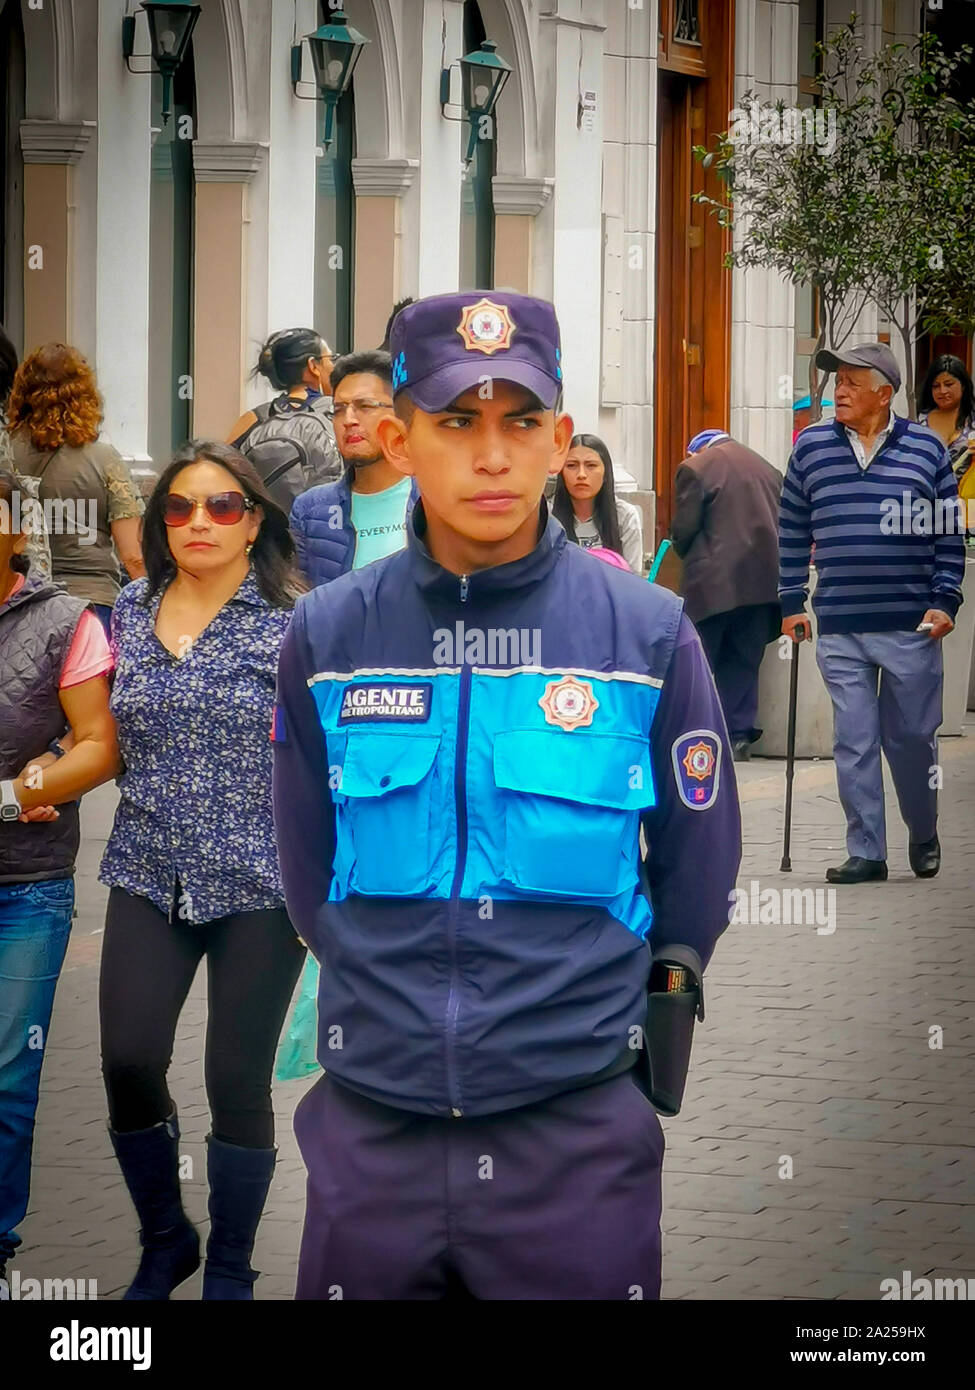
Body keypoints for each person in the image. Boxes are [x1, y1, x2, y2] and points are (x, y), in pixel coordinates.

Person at [271, 291, 741, 1300]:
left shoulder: (649, 634)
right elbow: (308, 874)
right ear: (398, 442)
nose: (493, 457)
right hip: (372, 1141)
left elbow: (697, 877)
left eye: (521, 423)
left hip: (573, 1143)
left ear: (560, 439)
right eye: (456, 423)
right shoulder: (326, 637)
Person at [97, 442, 305, 1300]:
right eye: (178, 508)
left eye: (222, 507)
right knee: (128, 1059)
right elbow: (98, 734)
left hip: (260, 882)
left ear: (255, 521)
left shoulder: (293, 623)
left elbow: (329, 757)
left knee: (233, 1080)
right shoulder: (127, 608)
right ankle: (165, 1239)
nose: (198, 524)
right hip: (147, 870)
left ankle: (229, 1268)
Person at [779, 343, 964, 885]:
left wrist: (945, 597)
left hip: (911, 625)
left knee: (911, 740)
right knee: (853, 740)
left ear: (884, 395)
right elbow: (792, 526)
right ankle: (867, 849)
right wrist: (791, 601)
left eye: (854, 383)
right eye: (838, 382)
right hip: (839, 621)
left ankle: (923, 829)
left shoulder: (927, 450)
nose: (840, 390)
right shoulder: (810, 447)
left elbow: (949, 533)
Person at [0, 466, 118, 1287]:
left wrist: (21, 792)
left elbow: (97, 744)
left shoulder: (62, 620)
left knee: (7, 1080)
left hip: (24, 887)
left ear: (16, 527)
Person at [6, 343, 146, 635]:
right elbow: (132, 556)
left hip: (19, 608)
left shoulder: (5, 455)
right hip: (92, 607)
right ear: (86, 395)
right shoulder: (104, 459)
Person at [670, 428, 783, 760]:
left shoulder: (697, 467)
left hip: (712, 586)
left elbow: (684, 530)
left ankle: (696, 731)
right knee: (744, 662)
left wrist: (679, 547)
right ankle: (737, 735)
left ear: (696, 449)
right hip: (763, 584)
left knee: (699, 660)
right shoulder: (768, 468)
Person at [290, 350, 419, 587]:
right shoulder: (311, 510)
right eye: (338, 410)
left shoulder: (437, 499)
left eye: (365, 406)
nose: (348, 420)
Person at [227, 329, 342, 509]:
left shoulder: (254, 418)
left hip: (268, 528)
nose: (334, 367)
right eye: (330, 359)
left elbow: (222, 470)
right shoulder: (337, 411)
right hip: (324, 523)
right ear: (313, 366)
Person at [552, 433, 644, 573]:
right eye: (571, 465)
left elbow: (633, 579)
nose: (581, 474)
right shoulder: (547, 516)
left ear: (606, 473)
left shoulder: (624, 516)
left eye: (591, 465)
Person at [917, 354, 975, 475]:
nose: (942, 391)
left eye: (949, 384)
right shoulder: (918, 422)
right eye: (936, 386)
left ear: (963, 385)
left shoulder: (972, 420)